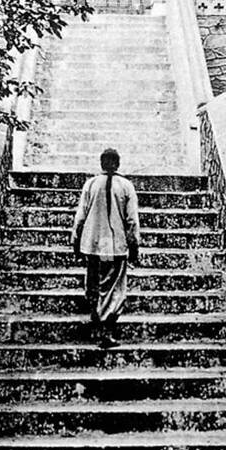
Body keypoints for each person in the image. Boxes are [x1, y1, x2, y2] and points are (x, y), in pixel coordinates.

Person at [71, 147, 140, 348]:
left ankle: (97, 322)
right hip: (114, 247)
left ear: (102, 163)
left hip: (93, 245)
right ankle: (105, 329)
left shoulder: (91, 184)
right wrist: (134, 246)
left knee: (94, 282)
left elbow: (80, 218)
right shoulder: (126, 186)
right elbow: (132, 221)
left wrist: (76, 242)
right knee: (113, 287)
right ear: (117, 164)